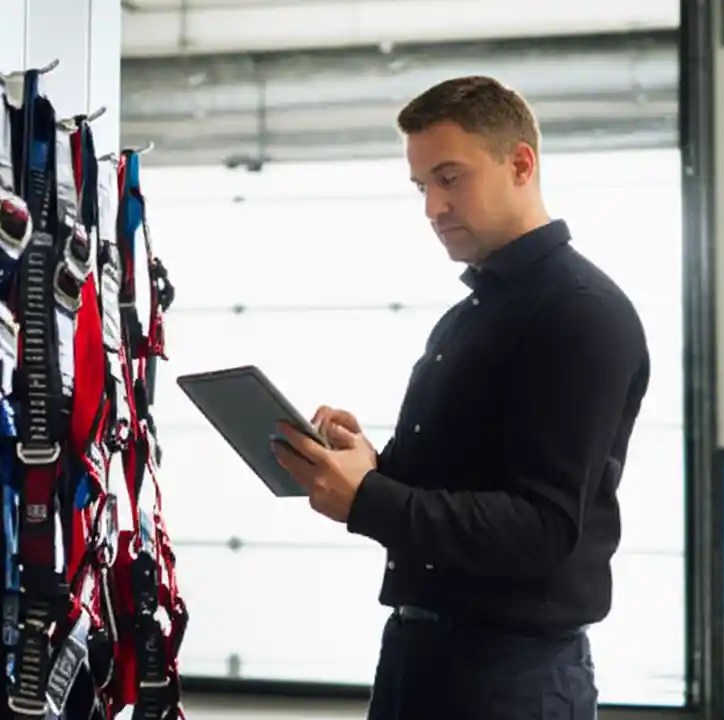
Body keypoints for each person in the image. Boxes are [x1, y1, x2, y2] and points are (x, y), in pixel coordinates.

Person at [272, 75, 651, 719]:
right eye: (422, 186)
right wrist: (368, 463)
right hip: (421, 652)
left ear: (521, 164)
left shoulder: (580, 314)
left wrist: (369, 499)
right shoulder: (470, 316)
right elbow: (460, 482)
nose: (432, 207)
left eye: (450, 178)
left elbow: (543, 527)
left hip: (512, 675)